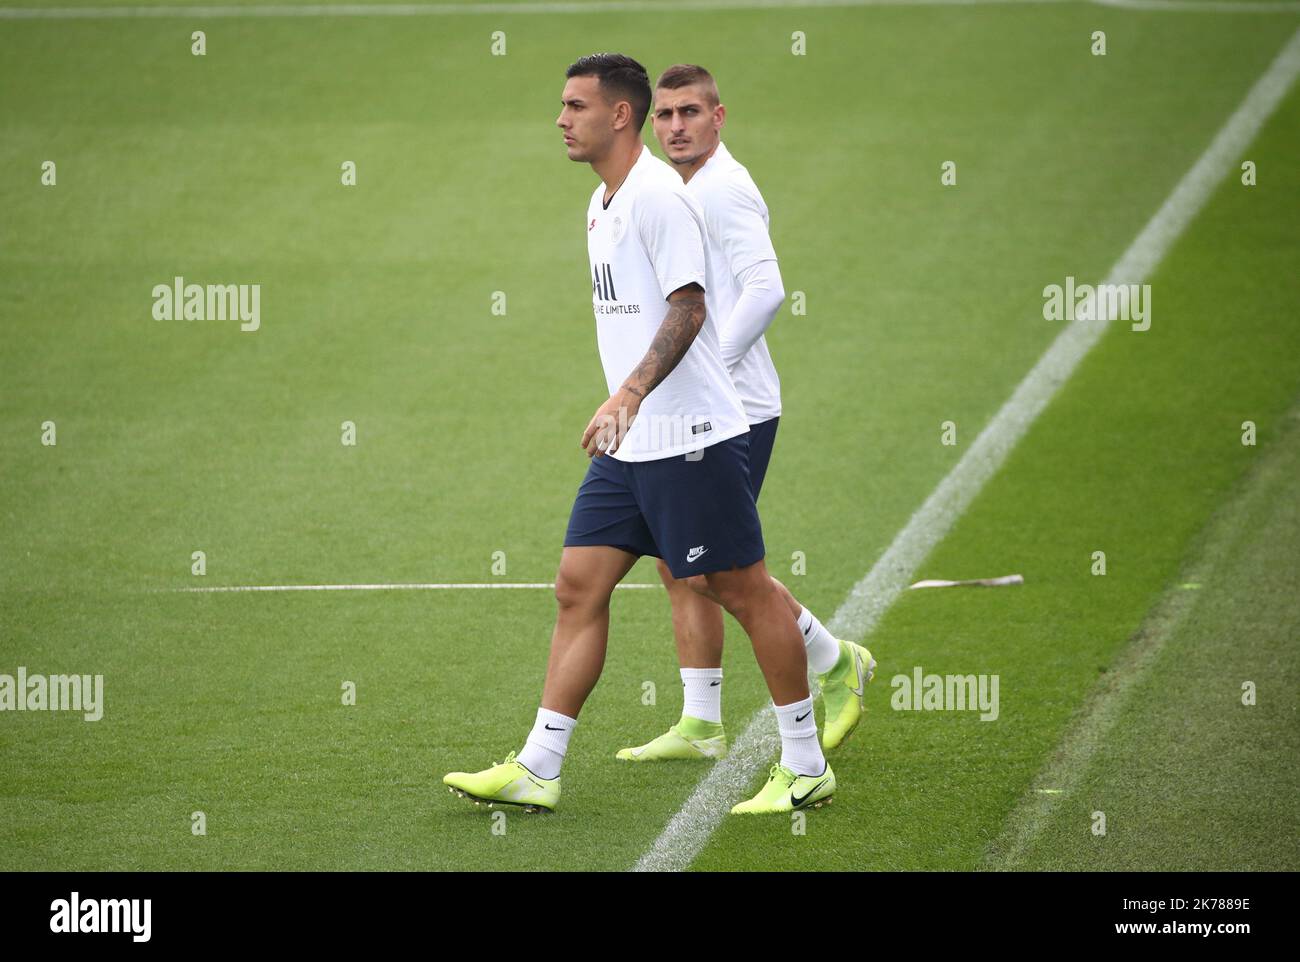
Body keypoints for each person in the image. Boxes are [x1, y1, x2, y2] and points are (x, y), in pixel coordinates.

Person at [443, 53, 837, 814]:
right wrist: (625, 409)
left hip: (689, 436)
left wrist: (627, 392)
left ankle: (805, 761)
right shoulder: (602, 203)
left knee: (742, 591)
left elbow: (688, 308)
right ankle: (539, 765)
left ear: (618, 115)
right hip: (632, 444)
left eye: (574, 106)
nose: (561, 120)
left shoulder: (659, 198)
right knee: (577, 586)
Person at [616, 64, 874, 766]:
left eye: (689, 113)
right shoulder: (681, 188)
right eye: (663, 115)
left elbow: (767, 289)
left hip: (736, 410)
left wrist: (712, 371)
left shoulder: (724, 189)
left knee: (720, 571)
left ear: (718, 116)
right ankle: (702, 721)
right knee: (683, 565)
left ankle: (832, 660)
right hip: (703, 406)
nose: (674, 126)